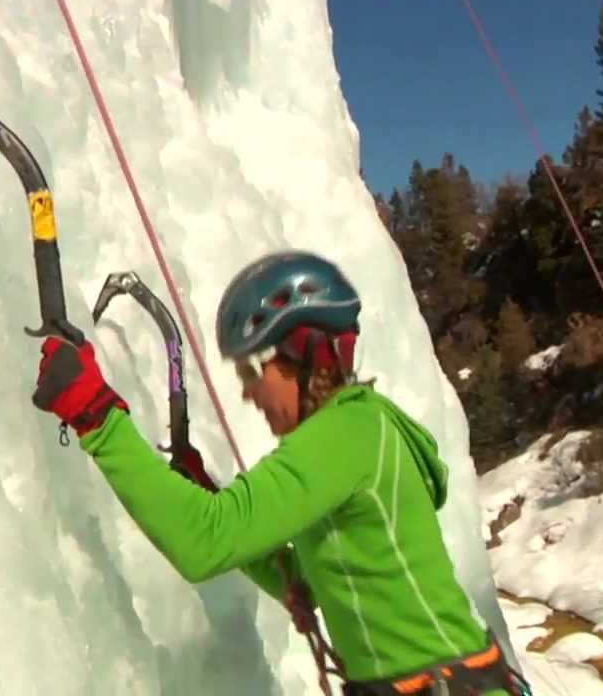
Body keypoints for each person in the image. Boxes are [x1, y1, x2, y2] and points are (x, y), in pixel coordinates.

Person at [31, 250, 530, 695]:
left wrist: (95, 414)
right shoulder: (358, 433)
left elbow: (202, 542)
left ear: (307, 355)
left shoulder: (348, 430)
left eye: (254, 370)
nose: (248, 392)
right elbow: (315, 577)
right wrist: (205, 492)